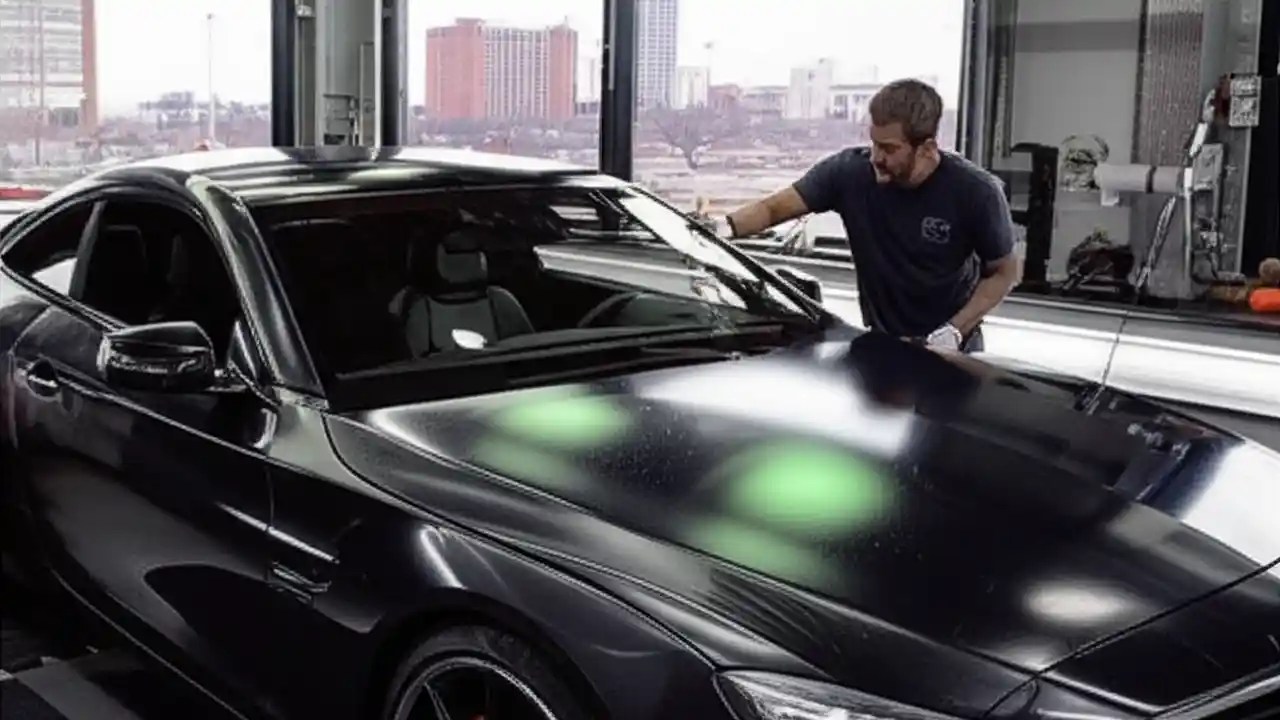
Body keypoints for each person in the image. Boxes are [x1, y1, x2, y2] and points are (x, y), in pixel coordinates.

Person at [713, 79, 1020, 352]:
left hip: (951, 350)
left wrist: (954, 330)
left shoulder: (976, 192)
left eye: (889, 148)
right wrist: (720, 229)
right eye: (873, 143)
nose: (876, 157)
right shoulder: (848, 173)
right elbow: (771, 209)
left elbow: (1004, 272)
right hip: (881, 345)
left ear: (926, 148)